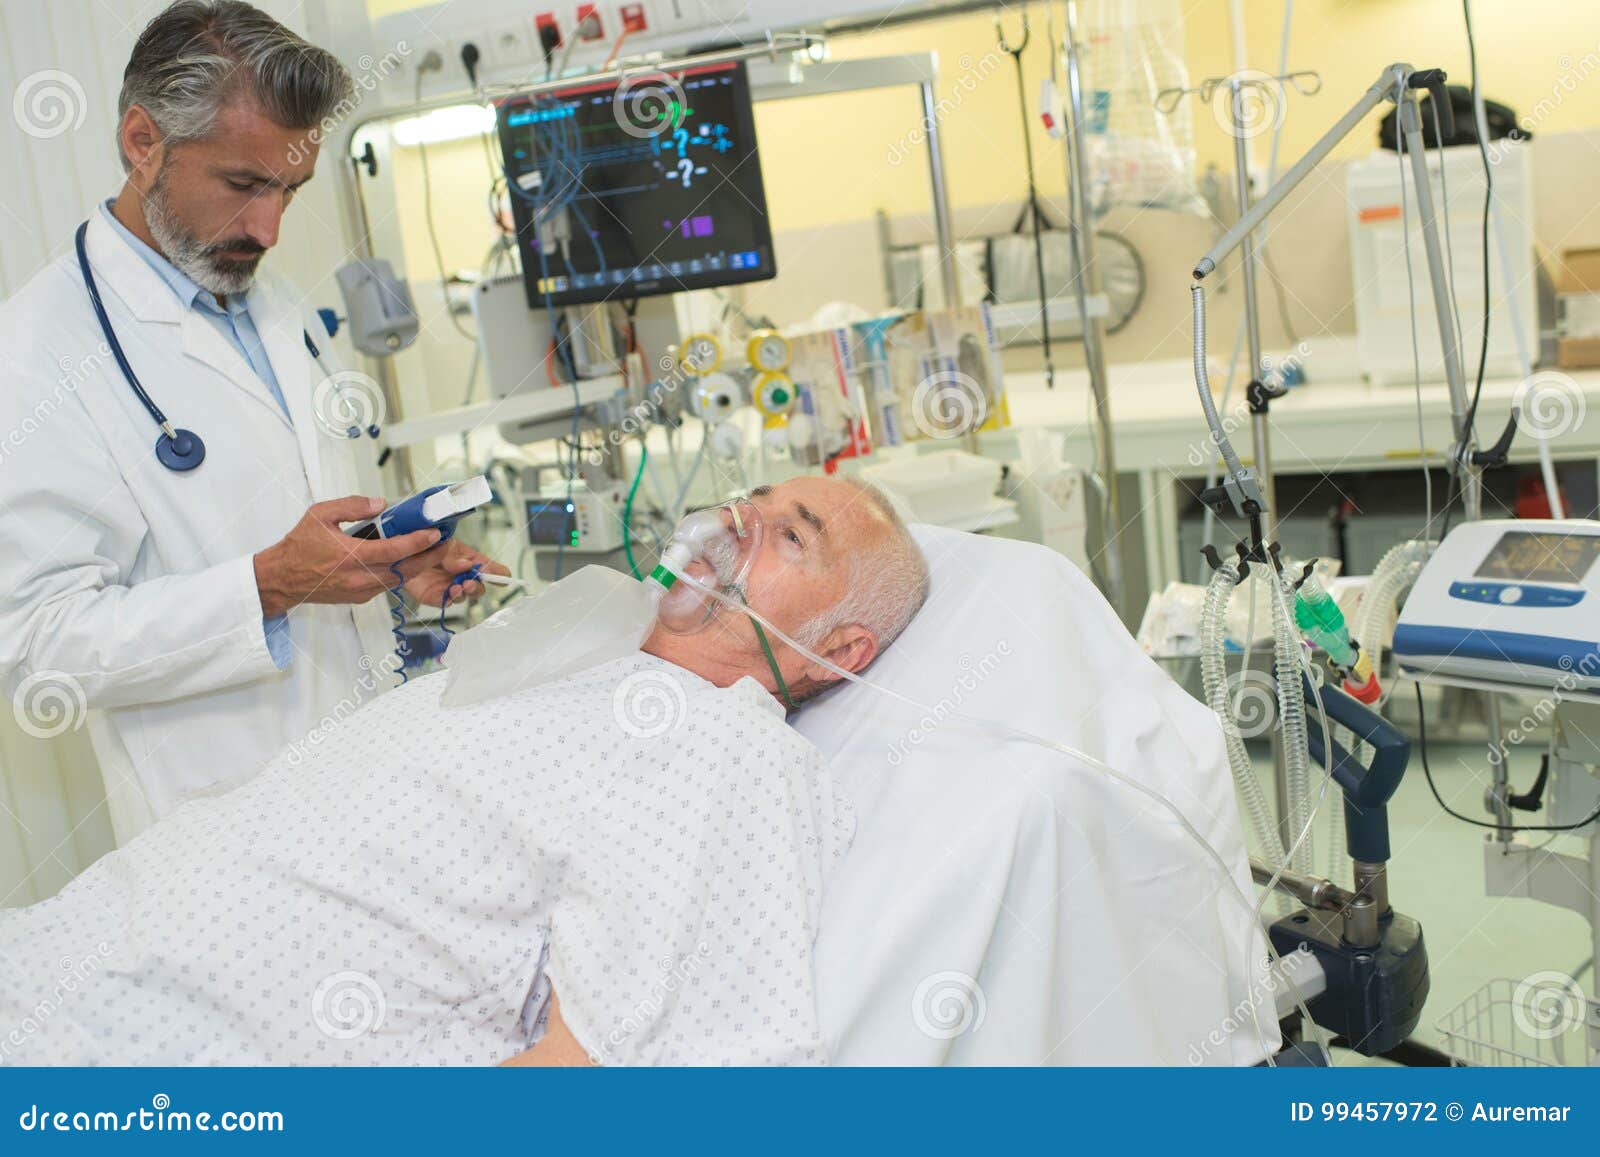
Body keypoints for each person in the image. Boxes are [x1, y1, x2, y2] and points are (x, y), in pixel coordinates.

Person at [0, 477, 932, 1066]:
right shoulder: (586, 659)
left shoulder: (730, 756)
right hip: (68, 959)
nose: (732, 525)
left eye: (792, 538)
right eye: (750, 500)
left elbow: (610, 1076)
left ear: (834, 649)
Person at [0, 1, 504, 842]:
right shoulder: (35, 350)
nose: (268, 227)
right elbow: (36, 649)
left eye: (289, 190)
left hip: (378, 783)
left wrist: (381, 566)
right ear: (141, 141)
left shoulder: (269, 306)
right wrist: (267, 584)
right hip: (227, 842)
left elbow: (299, 520)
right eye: (244, 184)